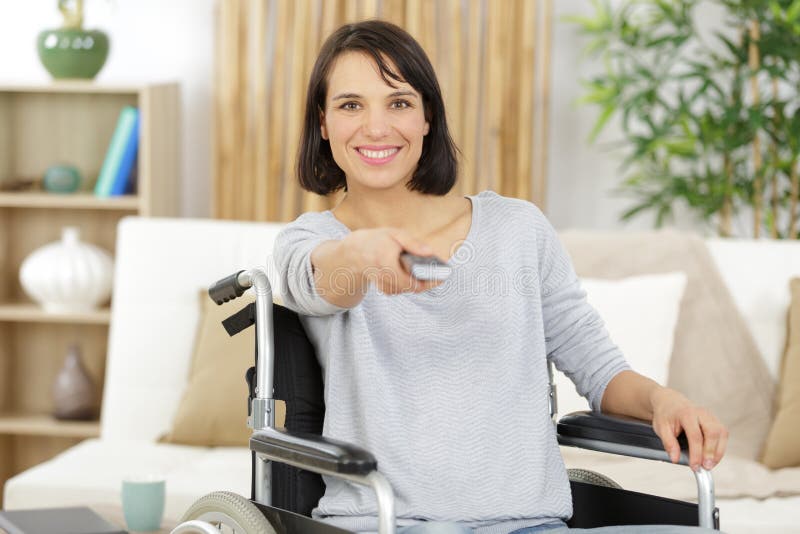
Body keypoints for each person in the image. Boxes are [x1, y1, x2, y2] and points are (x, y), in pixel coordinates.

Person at [273, 19, 728, 534]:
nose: (376, 127)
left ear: (427, 118)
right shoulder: (310, 241)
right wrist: (364, 252)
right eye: (351, 105)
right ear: (324, 123)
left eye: (398, 102)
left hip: (531, 524)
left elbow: (598, 369)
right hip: (392, 524)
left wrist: (664, 400)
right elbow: (320, 282)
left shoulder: (519, 229)